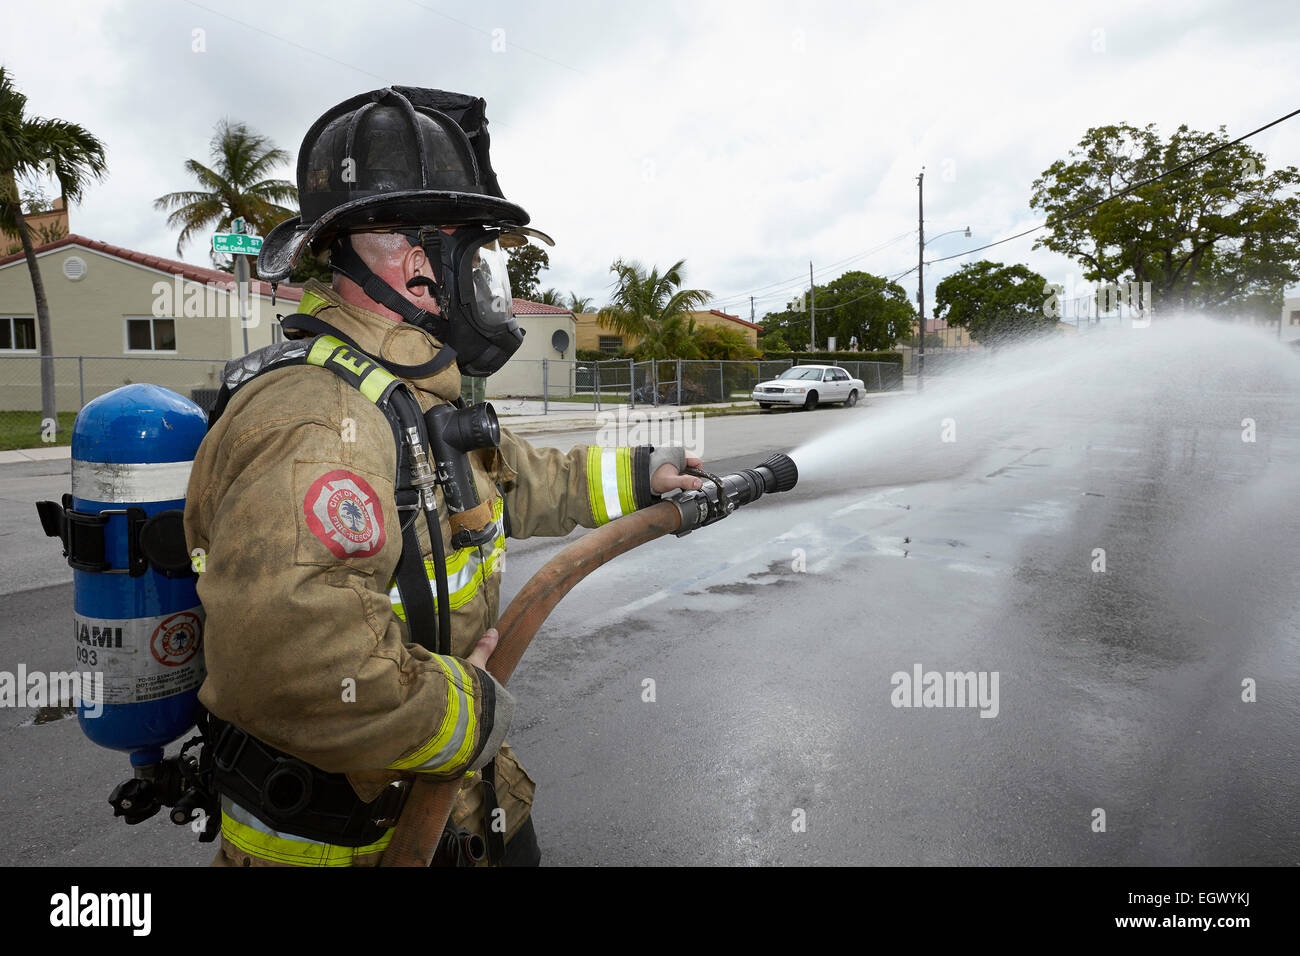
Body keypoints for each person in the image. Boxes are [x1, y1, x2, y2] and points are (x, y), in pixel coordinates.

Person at [184, 87, 701, 866]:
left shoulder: (402, 396)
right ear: (416, 260)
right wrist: (473, 709)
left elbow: (520, 480)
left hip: (460, 802)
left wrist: (643, 474)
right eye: (473, 251)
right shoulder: (319, 419)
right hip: (357, 840)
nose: (484, 279)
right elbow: (296, 666)